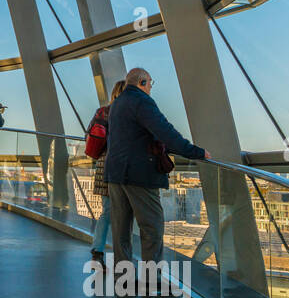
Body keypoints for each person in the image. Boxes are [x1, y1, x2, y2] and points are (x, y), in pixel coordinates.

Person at [104, 67, 207, 284]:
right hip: (139, 174)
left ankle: (123, 277)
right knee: (152, 228)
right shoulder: (142, 102)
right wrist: (196, 152)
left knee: (121, 228)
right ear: (142, 82)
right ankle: (152, 283)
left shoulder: (117, 104)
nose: (151, 87)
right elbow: (165, 132)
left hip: (115, 173)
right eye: (150, 82)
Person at [86, 80, 126, 269]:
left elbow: (89, 133)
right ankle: (123, 256)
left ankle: (97, 251)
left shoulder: (103, 111)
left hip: (103, 164)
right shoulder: (127, 112)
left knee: (107, 212)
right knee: (124, 213)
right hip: (121, 166)